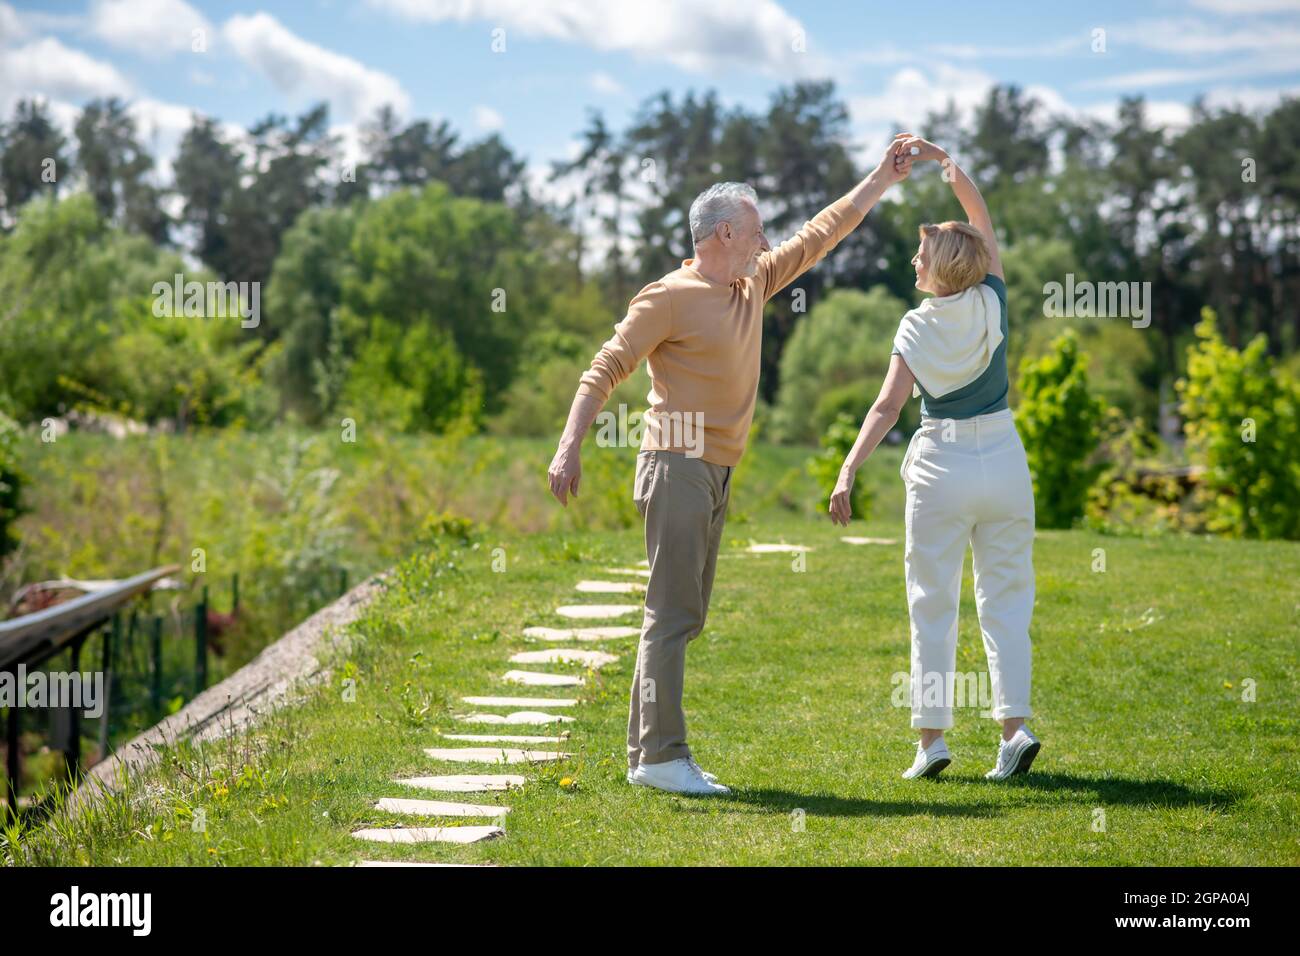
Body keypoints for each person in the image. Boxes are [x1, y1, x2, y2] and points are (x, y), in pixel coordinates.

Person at [548, 135, 917, 795]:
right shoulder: (668, 295)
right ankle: (662, 756)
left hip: (714, 470)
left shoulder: (753, 281)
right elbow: (603, 369)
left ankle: (647, 756)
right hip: (676, 462)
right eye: (755, 231)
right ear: (724, 232)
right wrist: (568, 445)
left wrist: (880, 178)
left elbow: (823, 232)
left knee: (679, 612)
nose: (764, 240)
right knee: (672, 613)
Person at [829, 135, 1040, 782]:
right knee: (1006, 599)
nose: (913, 263)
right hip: (1003, 459)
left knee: (932, 603)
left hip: (942, 468)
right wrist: (943, 157)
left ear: (940, 267)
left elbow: (887, 408)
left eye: (920, 255)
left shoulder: (916, 326)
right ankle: (1014, 730)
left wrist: (848, 470)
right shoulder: (992, 298)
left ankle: (932, 742)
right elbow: (981, 215)